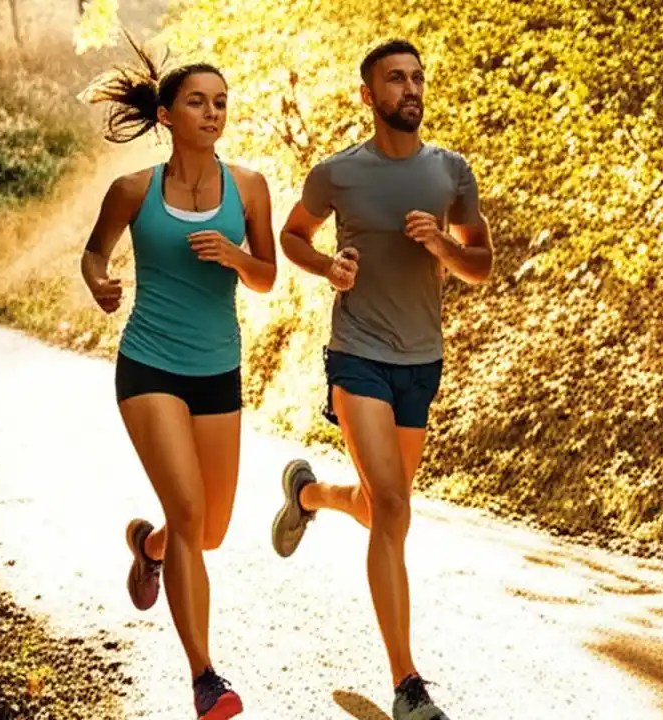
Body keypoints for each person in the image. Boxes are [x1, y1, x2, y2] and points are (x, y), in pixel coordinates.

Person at [270, 38, 492, 720]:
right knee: (394, 509)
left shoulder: (450, 172)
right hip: (358, 352)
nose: (410, 88)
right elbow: (292, 236)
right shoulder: (338, 174)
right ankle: (407, 685)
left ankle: (307, 496)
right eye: (395, 79)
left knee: (377, 508)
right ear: (368, 95)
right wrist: (327, 268)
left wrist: (441, 246)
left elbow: (480, 263)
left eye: (416, 78)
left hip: (421, 360)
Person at [79, 34, 277, 720]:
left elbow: (268, 276)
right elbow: (94, 254)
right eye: (198, 101)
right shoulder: (133, 190)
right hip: (149, 364)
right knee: (192, 513)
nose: (213, 112)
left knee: (207, 529)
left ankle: (149, 545)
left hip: (218, 369)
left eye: (221, 102)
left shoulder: (248, 187)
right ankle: (206, 679)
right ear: (167, 114)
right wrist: (101, 282)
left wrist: (234, 254)